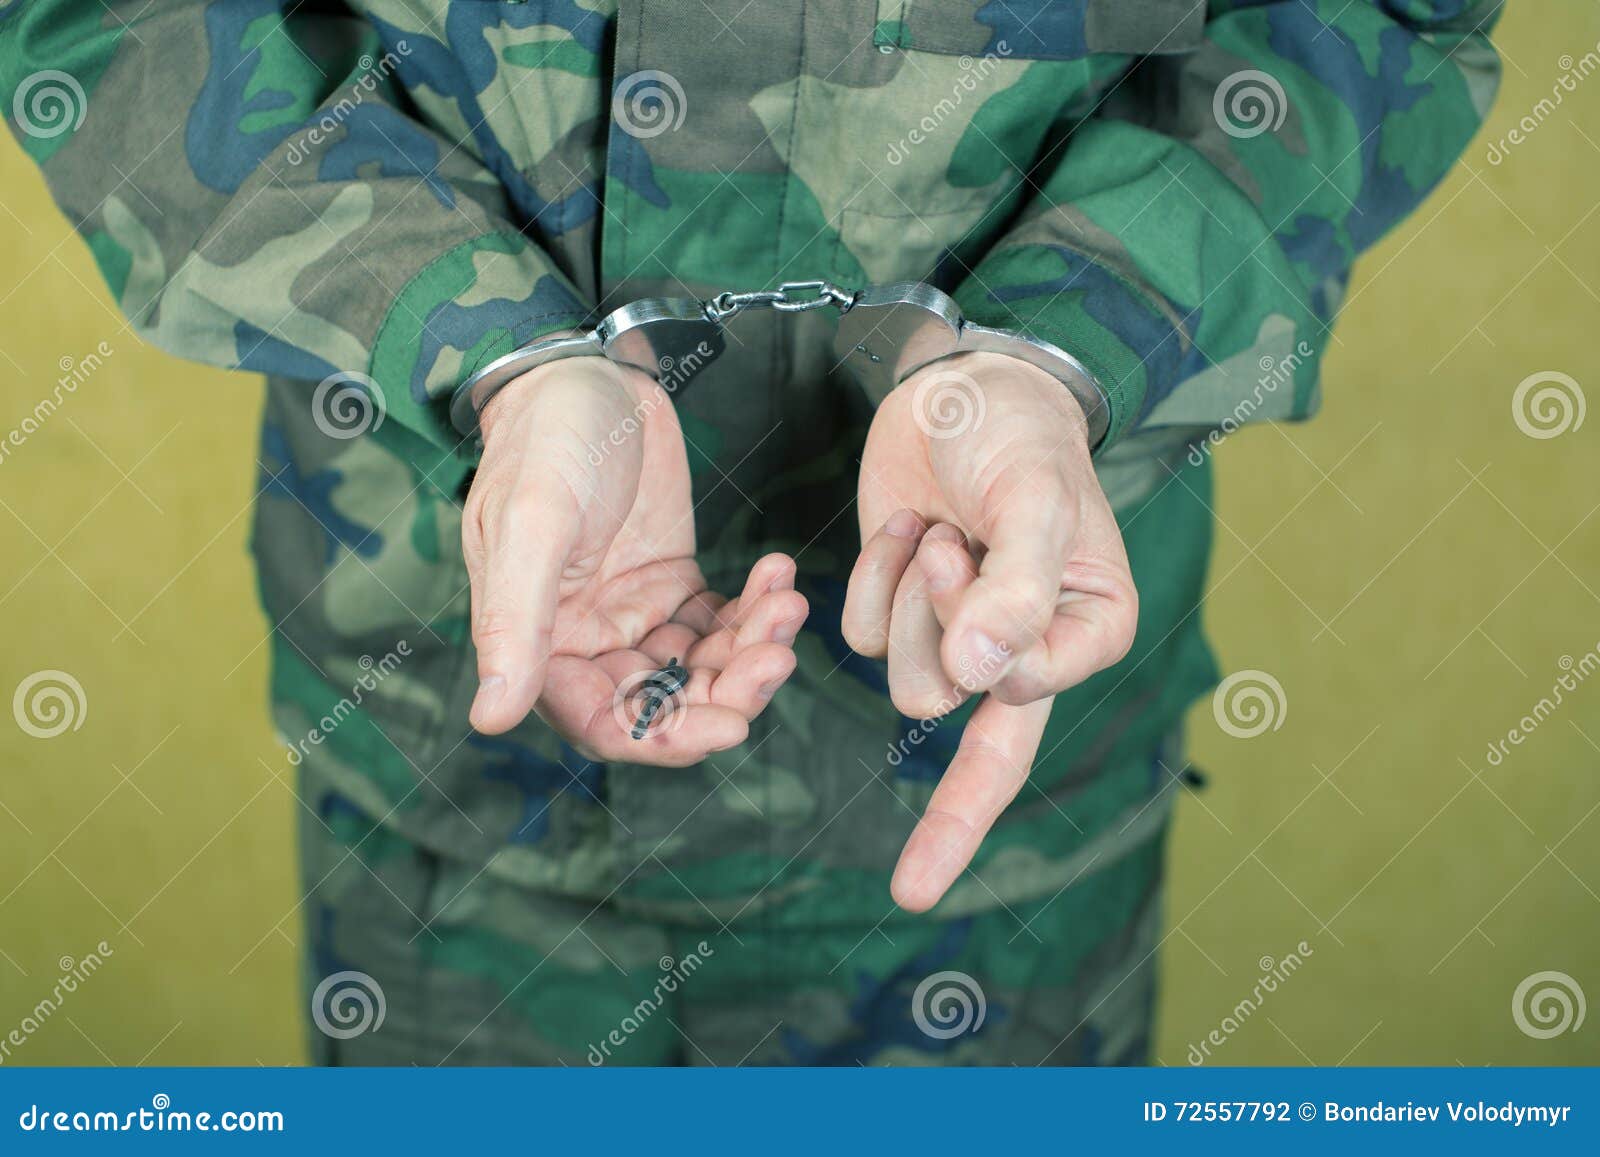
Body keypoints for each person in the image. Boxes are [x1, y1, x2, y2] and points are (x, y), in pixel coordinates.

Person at [3, 0, 1501, 1065]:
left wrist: (1062, 343)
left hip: (997, 798)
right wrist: (486, 347)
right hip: (450, 787)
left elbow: (1377, 15)